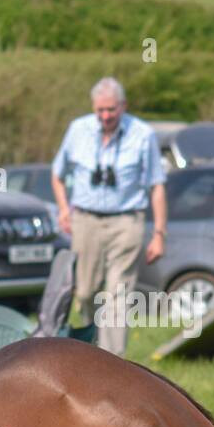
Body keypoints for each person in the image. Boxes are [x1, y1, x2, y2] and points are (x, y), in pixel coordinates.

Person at [51, 75, 168, 356]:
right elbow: (57, 175)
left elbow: (156, 185)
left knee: (118, 295)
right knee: (85, 292)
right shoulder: (77, 130)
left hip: (126, 221)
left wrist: (159, 234)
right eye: (100, 110)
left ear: (123, 106)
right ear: (93, 108)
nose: (105, 116)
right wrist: (64, 209)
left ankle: (113, 362)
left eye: (111, 110)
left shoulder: (142, 135)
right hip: (86, 221)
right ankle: (92, 351)